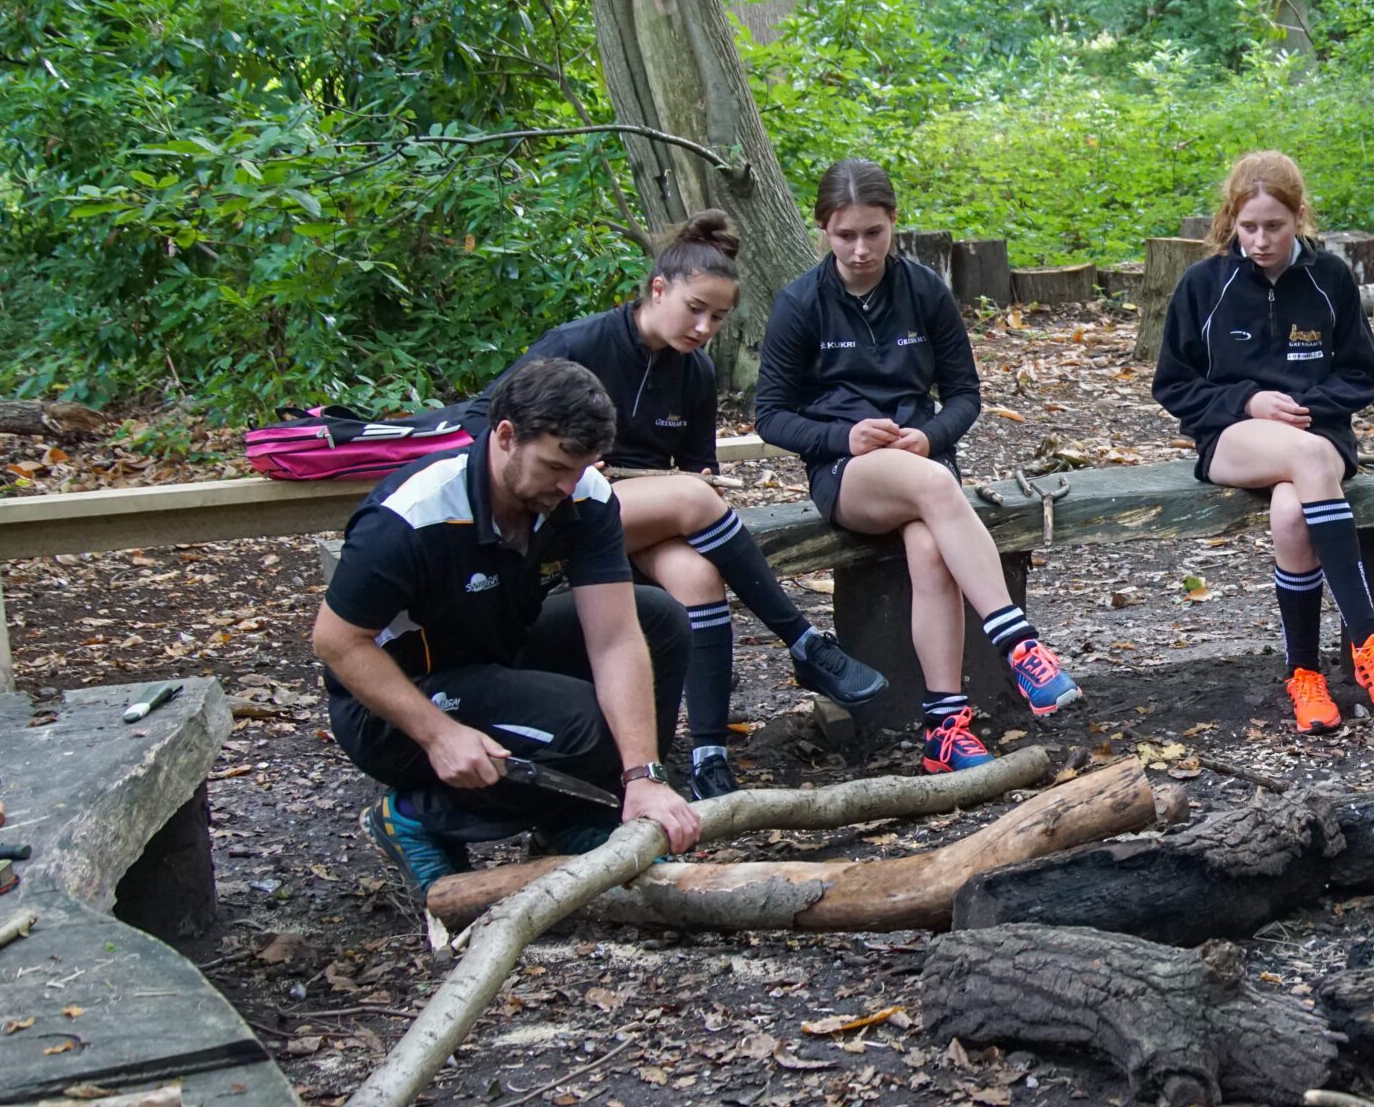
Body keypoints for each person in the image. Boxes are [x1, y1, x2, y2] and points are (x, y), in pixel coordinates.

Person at [471, 211, 888, 801]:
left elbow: (697, 469)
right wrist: (570, 463)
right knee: (690, 498)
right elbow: (483, 421)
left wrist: (695, 482)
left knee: (697, 573)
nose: (703, 328)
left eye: (717, 318)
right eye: (695, 309)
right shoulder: (577, 344)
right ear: (658, 288)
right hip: (556, 507)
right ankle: (802, 641)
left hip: (636, 520)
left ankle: (708, 755)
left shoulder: (696, 372)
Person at [316, 357, 703, 902]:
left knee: (657, 619)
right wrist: (438, 734)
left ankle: (589, 815)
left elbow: (615, 638)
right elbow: (335, 642)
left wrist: (644, 774)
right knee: (584, 726)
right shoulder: (412, 517)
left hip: (494, 649)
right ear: (505, 436)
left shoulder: (583, 494)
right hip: (396, 699)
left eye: (582, 467)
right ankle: (416, 816)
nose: (568, 484)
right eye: (555, 466)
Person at [755, 158, 1079, 772]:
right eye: (845, 235)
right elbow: (770, 416)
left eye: (873, 233)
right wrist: (844, 436)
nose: (859, 250)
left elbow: (964, 396)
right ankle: (1019, 644)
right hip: (846, 473)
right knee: (934, 488)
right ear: (823, 229)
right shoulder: (800, 303)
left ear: (894, 223)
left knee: (930, 549)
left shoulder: (924, 290)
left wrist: (928, 438)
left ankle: (945, 731)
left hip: (924, 466)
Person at [1151, 150, 1374, 733]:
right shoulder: (1203, 285)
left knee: (1293, 512)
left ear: (1299, 217)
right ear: (1231, 220)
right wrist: (1248, 402)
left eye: (1274, 225)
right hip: (1233, 437)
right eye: (1248, 226)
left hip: (1318, 433)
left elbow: (1365, 375)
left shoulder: (1331, 278)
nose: (1260, 240)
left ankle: (1305, 677)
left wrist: (1309, 406)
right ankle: (1370, 642)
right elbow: (1173, 385)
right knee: (1308, 456)